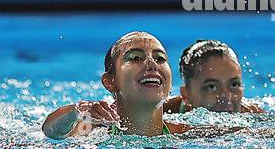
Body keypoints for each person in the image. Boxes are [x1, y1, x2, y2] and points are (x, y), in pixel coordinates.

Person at [43, 32, 186, 138]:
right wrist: (77, 111)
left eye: (160, 58)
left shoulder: (185, 135)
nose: (152, 64)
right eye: (136, 57)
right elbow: (51, 131)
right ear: (110, 82)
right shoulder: (93, 132)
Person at [164, 40, 264, 114]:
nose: (226, 97)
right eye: (211, 87)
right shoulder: (163, 114)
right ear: (186, 94)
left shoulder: (253, 114)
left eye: (234, 85)